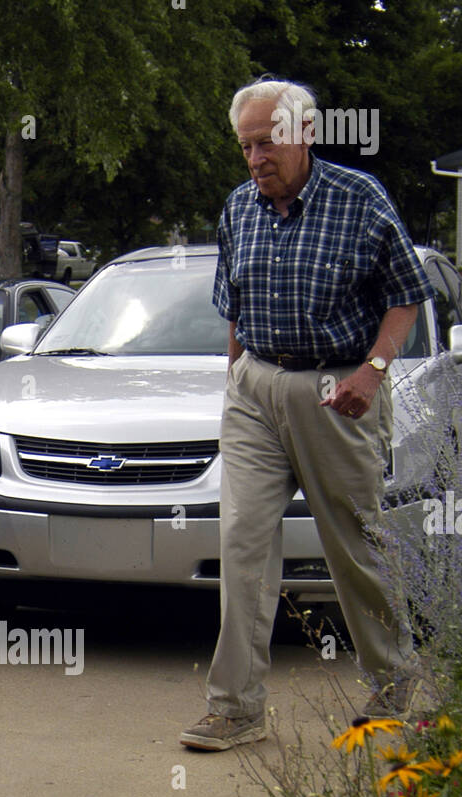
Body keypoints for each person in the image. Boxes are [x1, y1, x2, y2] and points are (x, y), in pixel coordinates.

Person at [180, 78, 433, 752]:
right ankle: (235, 706)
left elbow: (406, 295)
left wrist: (373, 372)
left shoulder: (360, 199)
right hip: (257, 390)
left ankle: (392, 677)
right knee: (242, 546)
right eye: (245, 146)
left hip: (336, 392)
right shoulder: (239, 208)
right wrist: (237, 377)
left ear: (304, 134)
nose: (255, 157)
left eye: (267, 142)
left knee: (355, 544)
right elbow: (232, 304)